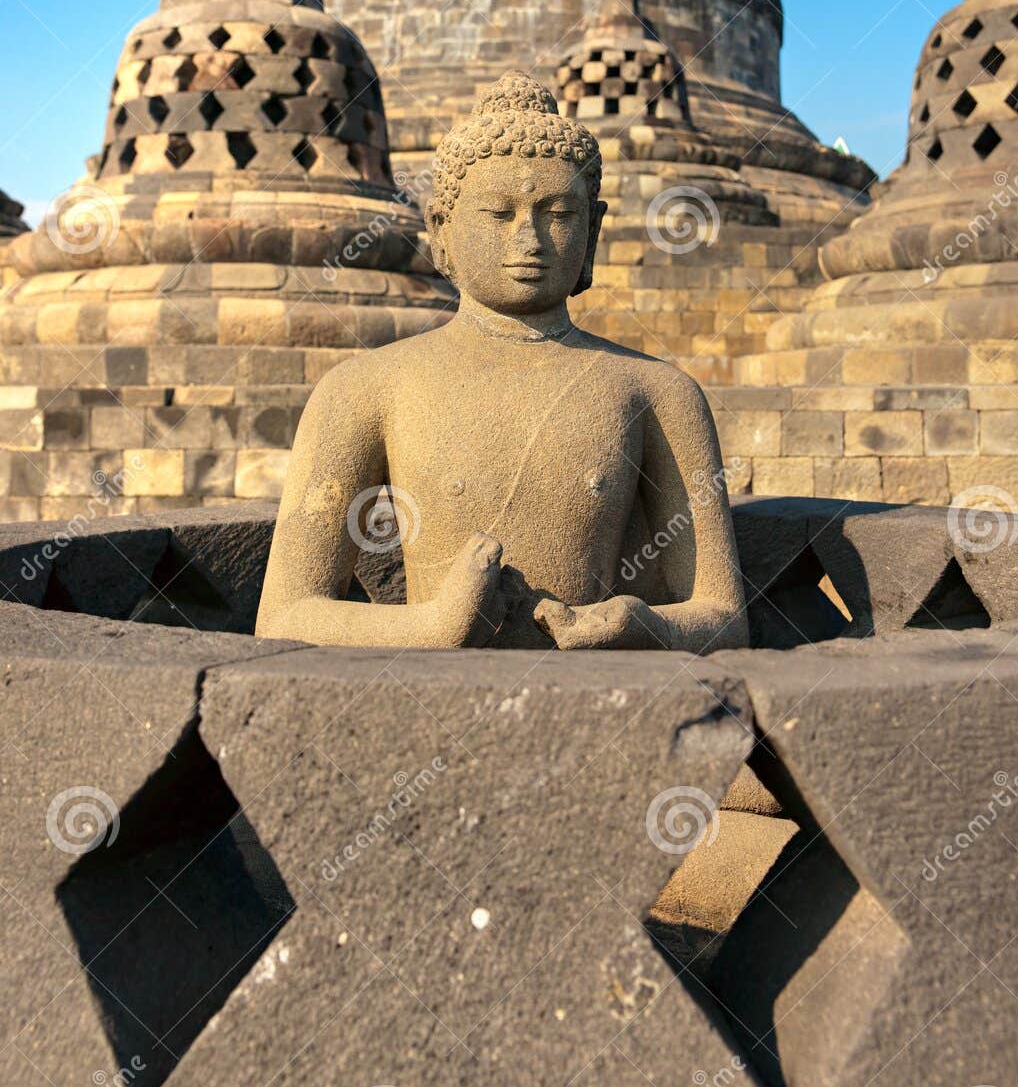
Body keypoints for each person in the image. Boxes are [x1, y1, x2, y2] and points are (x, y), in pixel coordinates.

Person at [255, 72, 748, 653]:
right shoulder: (366, 388)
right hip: (431, 700)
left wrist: (647, 626)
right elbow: (286, 615)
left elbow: (724, 617)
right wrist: (433, 626)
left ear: (592, 232)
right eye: (498, 213)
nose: (530, 239)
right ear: (442, 232)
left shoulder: (657, 392)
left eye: (558, 214)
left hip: (603, 703)